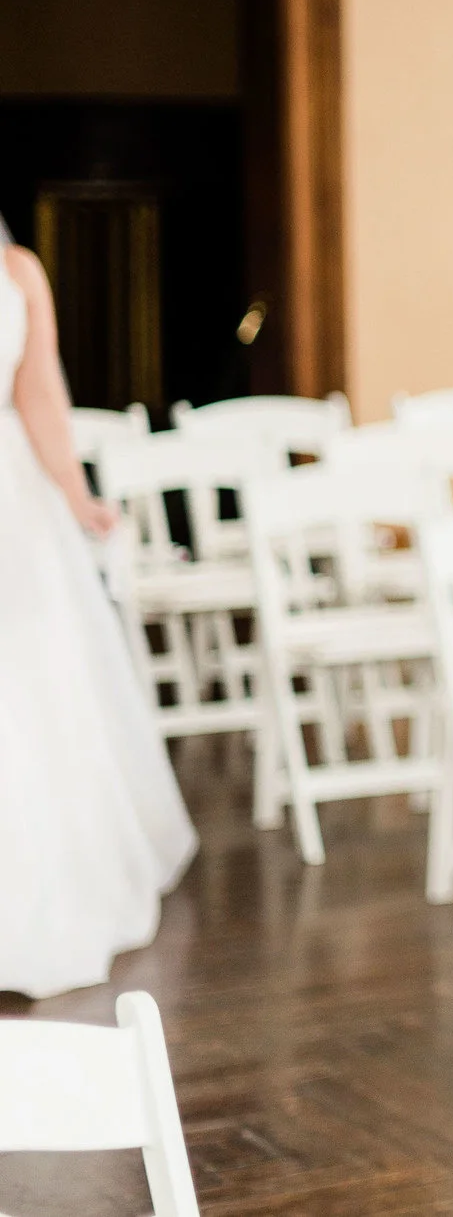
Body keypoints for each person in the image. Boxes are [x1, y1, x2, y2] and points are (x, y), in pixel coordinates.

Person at [0, 219, 196, 998]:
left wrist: (78, 497)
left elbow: (39, 389)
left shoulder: (19, 270)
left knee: (37, 685)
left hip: (13, 501)